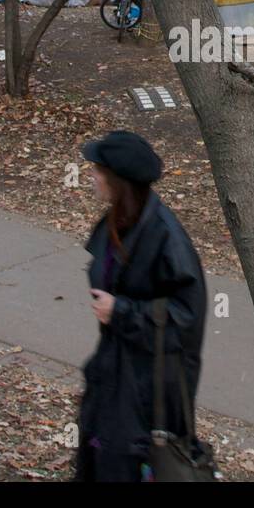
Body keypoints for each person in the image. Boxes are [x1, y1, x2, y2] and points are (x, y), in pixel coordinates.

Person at [75, 130, 206, 482]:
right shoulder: (119, 220)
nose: (91, 175)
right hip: (115, 371)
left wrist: (121, 312)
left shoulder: (166, 238)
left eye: (97, 170)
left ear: (117, 180)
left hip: (148, 388)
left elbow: (186, 319)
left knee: (123, 465)